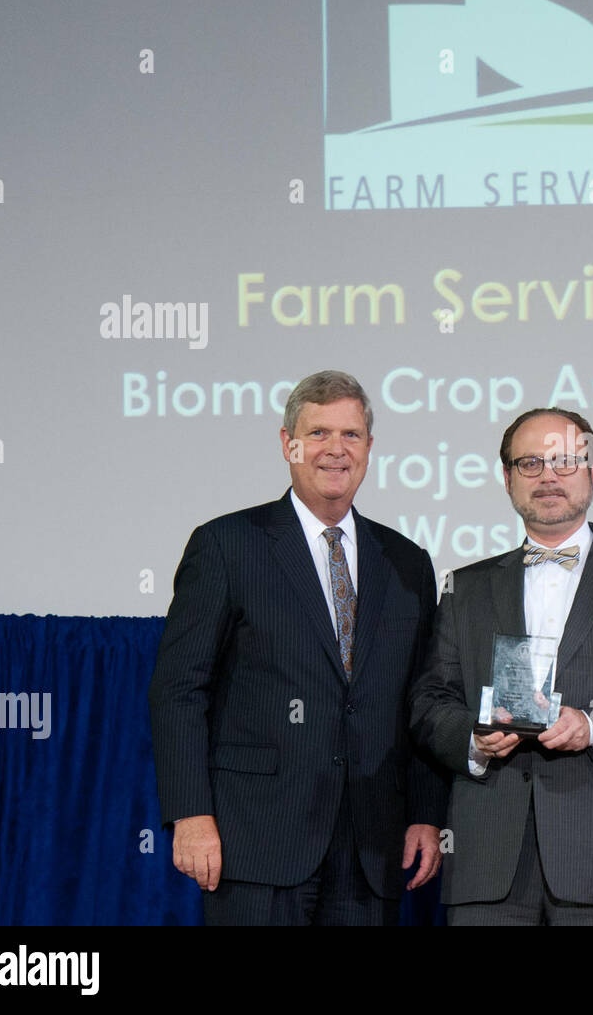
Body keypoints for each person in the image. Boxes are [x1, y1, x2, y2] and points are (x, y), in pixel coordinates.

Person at [148, 370, 447, 925]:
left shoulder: (407, 562)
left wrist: (426, 814)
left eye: (351, 435)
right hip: (256, 839)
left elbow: (422, 700)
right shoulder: (226, 544)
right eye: (318, 433)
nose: (335, 449)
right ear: (288, 445)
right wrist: (190, 813)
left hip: (372, 846)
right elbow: (178, 690)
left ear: (370, 449)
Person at [410, 408, 593, 925]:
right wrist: (473, 740)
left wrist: (592, 726)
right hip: (488, 862)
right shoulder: (465, 587)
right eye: (530, 463)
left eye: (566, 461)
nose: (548, 476)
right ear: (506, 479)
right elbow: (429, 700)